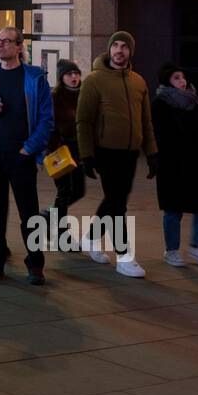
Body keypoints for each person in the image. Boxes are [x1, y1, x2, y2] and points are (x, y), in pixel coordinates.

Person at [0, 26, 54, 285]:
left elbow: (47, 120)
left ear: (19, 47)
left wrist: (29, 148)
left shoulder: (34, 78)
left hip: (21, 155)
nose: (0, 45)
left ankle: (35, 263)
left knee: (30, 212)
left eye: (7, 41)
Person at [75, 31, 158, 277]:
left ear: (131, 52)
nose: (119, 51)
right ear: (109, 50)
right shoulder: (94, 80)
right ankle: (124, 256)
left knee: (115, 199)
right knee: (118, 203)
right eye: (116, 46)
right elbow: (83, 120)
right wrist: (87, 155)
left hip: (130, 153)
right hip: (105, 151)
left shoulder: (138, 81)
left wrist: (152, 153)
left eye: (125, 47)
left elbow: (147, 121)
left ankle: (90, 239)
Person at [152, 62, 198, 267]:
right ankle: (172, 250)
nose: (182, 81)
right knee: (173, 208)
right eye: (176, 77)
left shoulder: (194, 101)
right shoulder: (160, 103)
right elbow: (157, 135)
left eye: (183, 77)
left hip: (195, 161)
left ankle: (196, 246)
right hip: (172, 163)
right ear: (167, 80)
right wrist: (155, 158)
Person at [48, 59, 86, 224]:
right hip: (60, 149)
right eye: (69, 74)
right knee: (65, 191)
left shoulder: (84, 95)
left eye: (76, 73)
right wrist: (51, 148)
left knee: (78, 190)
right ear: (61, 77)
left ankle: (50, 216)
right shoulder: (55, 98)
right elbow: (49, 125)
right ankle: (61, 234)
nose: (74, 77)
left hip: (78, 149)